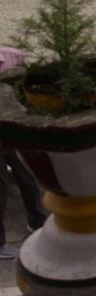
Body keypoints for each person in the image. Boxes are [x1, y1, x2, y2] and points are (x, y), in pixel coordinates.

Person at [0, 47, 47, 260]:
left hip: (15, 130)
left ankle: (36, 223)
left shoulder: (12, 56)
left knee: (28, 177)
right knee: (1, 189)